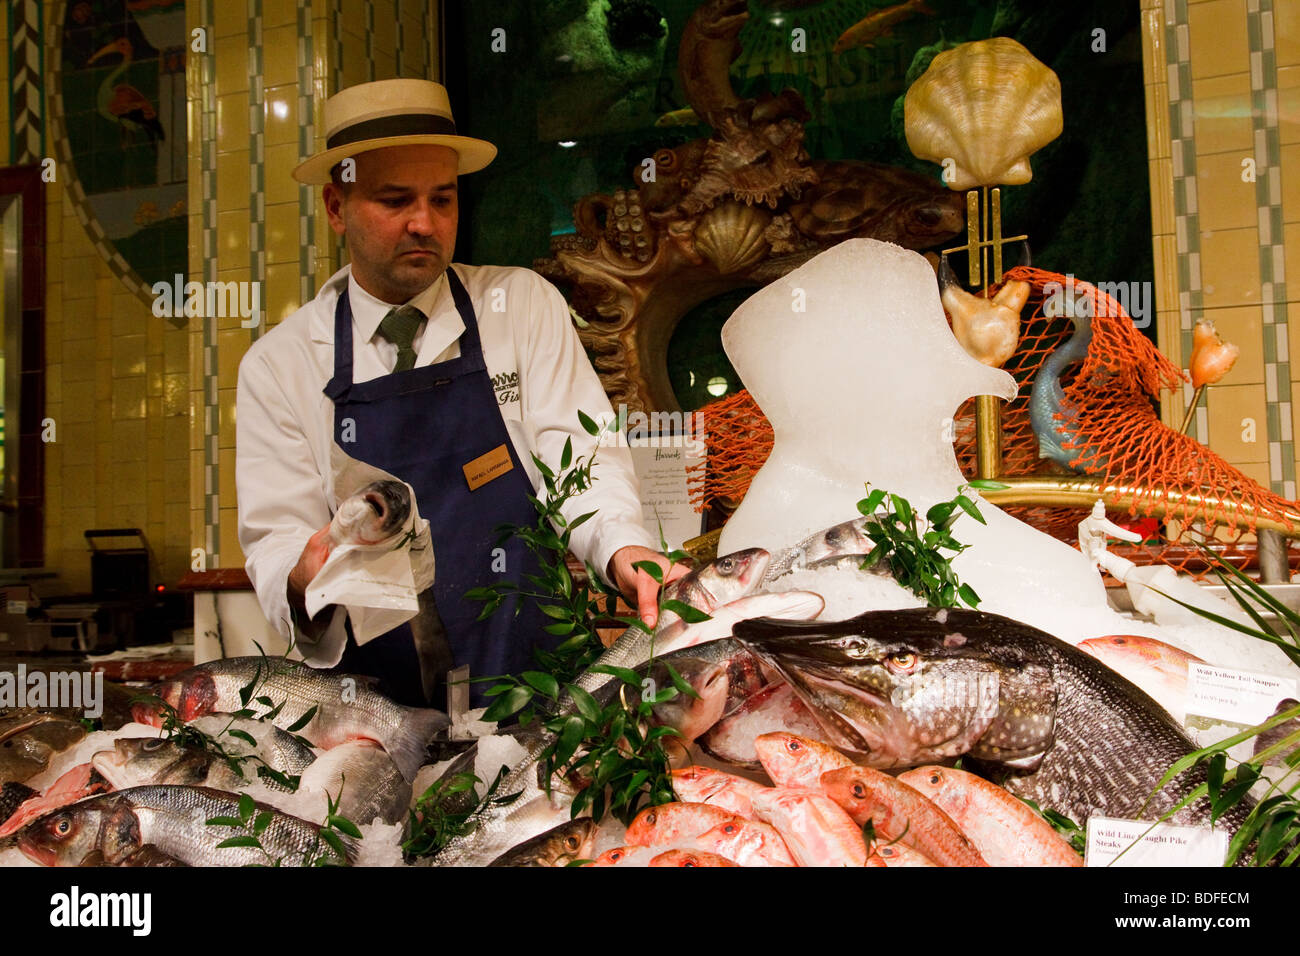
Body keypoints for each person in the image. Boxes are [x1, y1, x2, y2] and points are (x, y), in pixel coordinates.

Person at [236, 79, 683, 707]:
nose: (424, 223)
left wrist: (622, 546)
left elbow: (578, 461)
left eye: (442, 200)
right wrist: (302, 573)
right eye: (395, 200)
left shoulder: (520, 305)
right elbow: (278, 539)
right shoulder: (277, 366)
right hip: (379, 710)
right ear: (337, 207)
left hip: (543, 687)